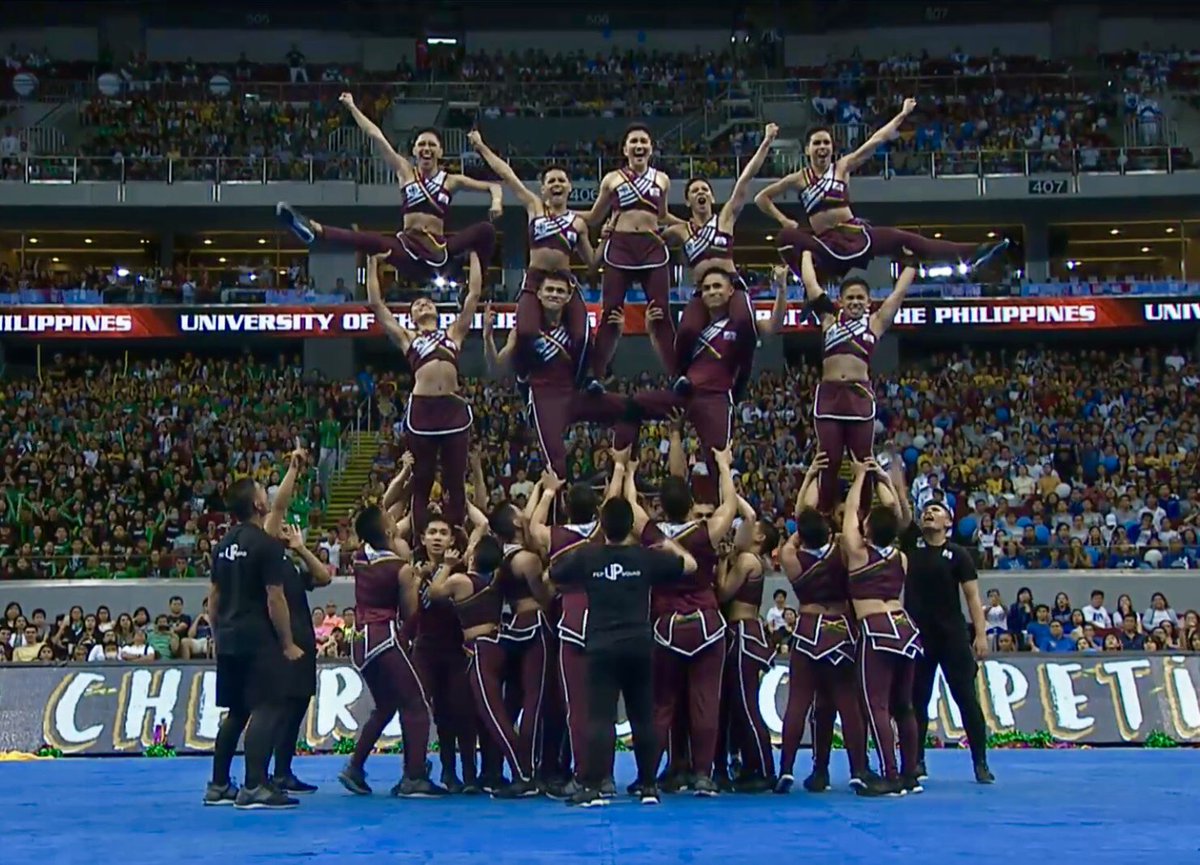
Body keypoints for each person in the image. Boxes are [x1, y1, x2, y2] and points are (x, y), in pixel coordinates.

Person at [550, 496, 697, 807]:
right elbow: (688, 565)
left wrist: (590, 542)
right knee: (643, 715)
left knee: (600, 717)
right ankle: (648, 786)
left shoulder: (588, 556)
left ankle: (594, 786)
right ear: (632, 526)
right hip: (639, 644)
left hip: (601, 645)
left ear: (603, 525)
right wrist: (661, 539)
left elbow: (555, 572)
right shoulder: (646, 557)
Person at [754, 100, 1008, 279]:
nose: (822, 148)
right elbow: (761, 198)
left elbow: (877, 140)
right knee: (786, 238)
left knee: (909, 239)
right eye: (817, 143)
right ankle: (811, 289)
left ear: (833, 147)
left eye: (827, 143)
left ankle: (973, 252)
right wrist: (784, 219)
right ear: (807, 149)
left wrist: (902, 114)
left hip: (856, 235)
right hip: (826, 244)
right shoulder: (798, 178)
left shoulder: (842, 167)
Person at [276, 93, 499, 291]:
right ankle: (313, 229)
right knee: (368, 239)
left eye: (432, 145)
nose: (426, 149)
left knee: (486, 230)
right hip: (408, 251)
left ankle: (475, 284)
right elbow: (376, 135)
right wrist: (352, 107)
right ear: (414, 150)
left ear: (440, 151)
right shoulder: (405, 171)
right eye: (421, 145)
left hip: (439, 252)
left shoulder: (451, 181)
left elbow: (493, 185)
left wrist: (496, 201)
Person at [630, 446, 741, 796]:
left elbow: (630, 509)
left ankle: (649, 776)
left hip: (665, 627)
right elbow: (731, 507)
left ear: (660, 505)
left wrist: (626, 470)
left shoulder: (652, 536)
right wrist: (723, 467)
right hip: (707, 624)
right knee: (704, 702)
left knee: (662, 706)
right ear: (692, 502)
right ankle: (704, 774)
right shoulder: (705, 532)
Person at [628, 266, 789, 480]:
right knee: (632, 404)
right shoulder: (692, 327)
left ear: (731, 290)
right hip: (684, 395)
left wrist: (781, 288)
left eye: (717, 286)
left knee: (718, 466)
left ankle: (722, 510)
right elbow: (672, 361)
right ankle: (626, 472)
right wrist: (652, 332)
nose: (712, 292)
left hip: (716, 399)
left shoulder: (741, 323)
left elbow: (774, 326)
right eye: (706, 288)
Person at [204, 476, 305, 810]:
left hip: (230, 636)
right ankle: (255, 785)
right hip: (257, 637)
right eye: (265, 493)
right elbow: (275, 597)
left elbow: (214, 599)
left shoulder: (222, 545)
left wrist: (218, 636)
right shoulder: (265, 545)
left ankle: (218, 784)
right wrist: (288, 642)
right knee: (269, 705)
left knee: (237, 711)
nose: (269, 496)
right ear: (258, 505)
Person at [529, 461, 628, 798]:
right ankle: (607, 777)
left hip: (571, 620)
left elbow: (532, 526)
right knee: (604, 705)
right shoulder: (604, 533)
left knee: (577, 706)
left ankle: (584, 775)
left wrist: (548, 491)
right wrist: (618, 467)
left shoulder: (556, 536)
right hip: (607, 619)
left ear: (568, 508)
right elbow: (615, 501)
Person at [366, 250, 481, 533]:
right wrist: (372, 261)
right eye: (417, 304)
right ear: (412, 317)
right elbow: (376, 304)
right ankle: (420, 545)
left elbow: (474, 295)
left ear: (437, 311)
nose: (423, 304)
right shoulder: (408, 338)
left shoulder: (454, 333)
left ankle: (455, 537)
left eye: (427, 301)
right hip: (423, 412)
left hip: (453, 410)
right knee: (422, 481)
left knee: (455, 481)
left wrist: (476, 254)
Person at [775, 455, 870, 793]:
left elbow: (801, 519)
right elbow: (849, 525)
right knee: (847, 700)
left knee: (799, 700)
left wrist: (810, 477)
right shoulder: (842, 550)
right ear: (830, 531)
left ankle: (786, 768)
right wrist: (858, 478)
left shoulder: (790, 557)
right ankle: (859, 769)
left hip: (808, 624)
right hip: (840, 624)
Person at [468, 130, 595, 381]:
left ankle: (582, 382)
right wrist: (482, 147)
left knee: (583, 336)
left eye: (561, 180)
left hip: (565, 283)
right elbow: (507, 174)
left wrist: (612, 236)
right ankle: (527, 375)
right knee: (525, 332)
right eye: (551, 181)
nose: (557, 184)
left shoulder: (579, 223)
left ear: (570, 187)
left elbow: (592, 262)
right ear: (544, 188)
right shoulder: (534, 207)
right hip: (535, 280)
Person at [428, 516, 540, 799]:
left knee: (493, 716)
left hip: (478, 650)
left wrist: (447, 565)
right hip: (499, 645)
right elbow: (483, 527)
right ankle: (501, 771)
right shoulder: (498, 581)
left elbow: (433, 592)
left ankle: (522, 773)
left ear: (474, 557)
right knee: (494, 713)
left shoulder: (460, 580)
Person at [483, 274, 637, 479]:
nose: (554, 294)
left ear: (567, 297)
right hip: (544, 399)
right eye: (549, 290)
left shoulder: (576, 331)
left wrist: (615, 334)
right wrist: (487, 336)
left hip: (574, 393)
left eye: (560, 291)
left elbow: (599, 362)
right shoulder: (524, 330)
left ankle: (621, 477)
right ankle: (555, 506)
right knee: (557, 468)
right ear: (538, 294)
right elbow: (496, 367)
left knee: (630, 409)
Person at [799, 250, 915, 515]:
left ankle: (862, 513)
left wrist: (910, 264)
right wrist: (806, 250)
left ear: (869, 301)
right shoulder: (829, 319)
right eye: (849, 298)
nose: (854, 302)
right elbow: (811, 284)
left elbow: (897, 295)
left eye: (859, 298)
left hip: (859, 396)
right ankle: (826, 512)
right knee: (828, 459)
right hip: (829, 396)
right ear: (840, 301)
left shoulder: (875, 323)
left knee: (862, 460)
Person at [338, 505, 443, 798]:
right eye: (390, 521)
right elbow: (410, 612)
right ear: (387, 531)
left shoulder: (360, 558)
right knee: (416, 702)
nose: (394, 521)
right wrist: (419, 580)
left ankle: (355, 767)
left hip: (359, 640)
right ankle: (414, 776)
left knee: (386, 704)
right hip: (384, 636)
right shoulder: (401, 568)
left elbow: (377, 518)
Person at [665, 123, 778, 394]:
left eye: (705, 189)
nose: (701, 193)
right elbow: (648, 233)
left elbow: (745, 180)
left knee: (745, 324)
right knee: (687, 331)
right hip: (702, 291)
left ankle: (741, 379)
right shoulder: (680, 230)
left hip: (732, 287)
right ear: (688, 201)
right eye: (695, 191)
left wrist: (766, 142)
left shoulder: (725, 219)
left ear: (712, 196)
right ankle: (680, 376)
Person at [841, 459, 921, 797]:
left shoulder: (859, 553)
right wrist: (885, 479)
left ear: (869, 530)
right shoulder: (900, 557)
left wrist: (860, 478)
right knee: (904, 705)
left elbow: (848, 514)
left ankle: (888, 774)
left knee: (877, 705)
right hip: (905, 628)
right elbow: (897, 516)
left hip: (876, 630)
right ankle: (910, 774)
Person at [905, 500, 995, 785]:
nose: (929, 513)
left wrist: (980, 635)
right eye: (926, 511)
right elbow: (901, 509)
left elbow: (972, 598)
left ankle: (980, 762)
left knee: (966, 699)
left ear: (948, 522)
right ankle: (916, 759)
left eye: (936, 511)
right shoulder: (911, 547)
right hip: (919, 636)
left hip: (952, 635)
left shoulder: (958, 555)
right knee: (917, 700)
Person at [580, 124, 676, 380]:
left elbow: (663, 216)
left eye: (644, 141)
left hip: (652, 250)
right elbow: (593, 217)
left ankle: (677, 375)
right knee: (611, 316)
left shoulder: (662, 180)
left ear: (651, 148)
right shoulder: (612, 179)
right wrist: (562, 214)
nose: (639, 145)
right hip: (620, 249)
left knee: (660, 314)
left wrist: (690, 225)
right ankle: (597, 376)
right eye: (633, 141)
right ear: (625, 149)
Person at [488, 500, 558, 792]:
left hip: (513, 626)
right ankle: (527, 770)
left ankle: (501, 767)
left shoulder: (501, 558)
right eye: (521, 513)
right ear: (516, 523)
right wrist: (553, 577)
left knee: (514, 700)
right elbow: (545, 597)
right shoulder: (527, 560)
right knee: (534, 700)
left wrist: (544, 494)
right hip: (534, 624)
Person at [410, 515, 482, 793]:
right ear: (424, 539)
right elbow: (415, 606)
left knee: (462, 711)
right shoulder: (414, 571)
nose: (438, 537)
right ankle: (448, 773)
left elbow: (482, 527)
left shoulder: (462, 569)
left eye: (443, 532)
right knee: (437, 713)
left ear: (453, 539)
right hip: (426, 650)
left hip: (456, 649)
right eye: (432, 532)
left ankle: (470, 774)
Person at [715, 502, 781, 792]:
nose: (742, 530)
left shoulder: (747, 561)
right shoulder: (754, 560)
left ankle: (765, 768)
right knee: (737, 703)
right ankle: (749, 763)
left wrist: (721, 564)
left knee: (745, 703)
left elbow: (723, 592)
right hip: (744, 631)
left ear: (760, 537)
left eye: (749, 528)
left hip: (742, 630)